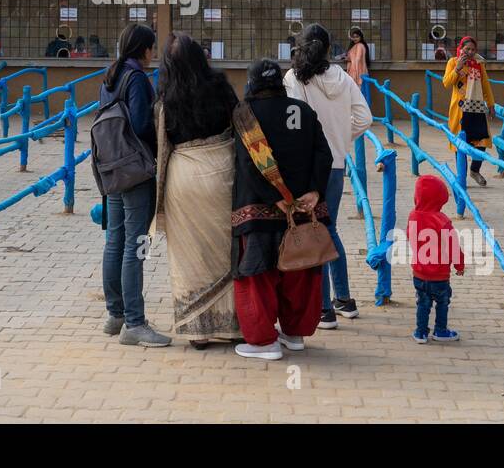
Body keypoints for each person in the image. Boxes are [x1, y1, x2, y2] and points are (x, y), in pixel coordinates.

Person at [231, 58, 334, 360]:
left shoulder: (245, 115)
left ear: (252, 84)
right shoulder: (302, 110)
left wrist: (272, 197)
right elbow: (323, 153)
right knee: (299, 272)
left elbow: (247, 165)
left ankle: (264, 343)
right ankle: (294, 334)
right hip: (304, 209)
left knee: (258, 275)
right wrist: (315, 190)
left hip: (261, 211)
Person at [154, 32, 242, 349]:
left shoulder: (166, 97)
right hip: (222, 175)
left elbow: (160, 142)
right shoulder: (221, 87)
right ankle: (234, 325)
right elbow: (243, 126)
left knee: (189, 257)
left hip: (184, 179)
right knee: (225, 252)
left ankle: (198, 331)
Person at [284, 23, 372, 328]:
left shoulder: (294, 77)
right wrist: (343, 139)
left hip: (308, 165)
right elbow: (365, 118)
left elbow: (293, 122)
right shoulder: (344, 78)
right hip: (336, 163)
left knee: (315, 231)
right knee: (329, 228)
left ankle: (323, 308)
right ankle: (344, 299)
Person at [98, 23, 170, 348]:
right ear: (143, 49)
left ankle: (115, 314)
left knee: (115, 239)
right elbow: (141, 124)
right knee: (136, 244)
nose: (153, 54)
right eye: (151, 48)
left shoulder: (110, 77)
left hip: (111, 168)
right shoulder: (137, 79)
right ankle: (135, 324)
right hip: (135, 171)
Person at [408, 175, 465, 343]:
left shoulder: (413, 216)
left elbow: (410, 236)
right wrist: (459, 265)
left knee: (423, 303)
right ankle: (440, 330)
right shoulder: (442, 221)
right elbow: (453, 245)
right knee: (442, 303)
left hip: (419, 273)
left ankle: (421, 332)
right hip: (439, 275)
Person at [442, 36, 496, 187]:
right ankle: (462, 177)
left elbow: (485, 85)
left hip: (477, 107)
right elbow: (446, 82)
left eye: (473, 49)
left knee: (482, 140)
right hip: (459, 109)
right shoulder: (453, 62)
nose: (470, 52)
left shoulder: (479, 64)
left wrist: (491, 105)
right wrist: (457, 68)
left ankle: (475, 170)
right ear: (461, 49)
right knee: (461, 143)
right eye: (467, 49)